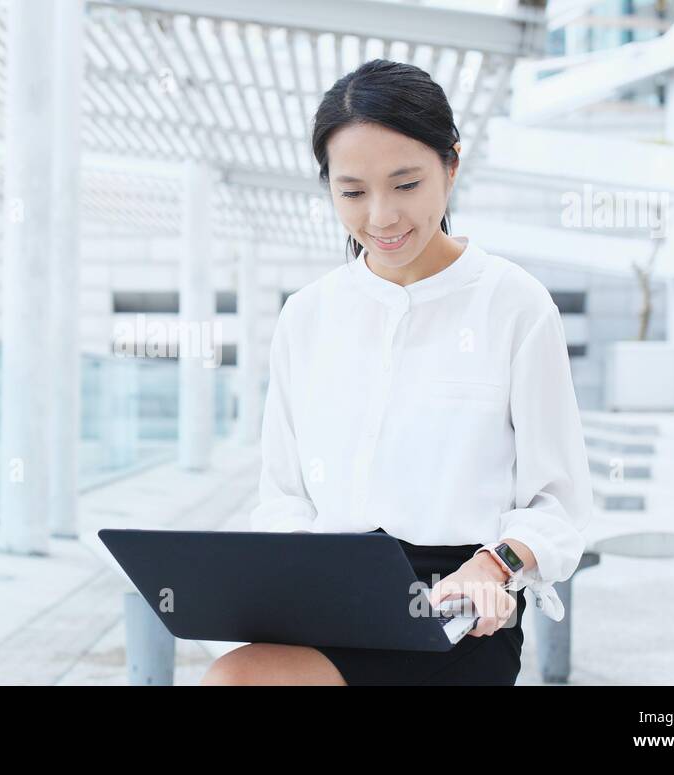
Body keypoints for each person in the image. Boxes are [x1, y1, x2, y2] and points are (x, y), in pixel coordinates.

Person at [200, 60, 593, 686]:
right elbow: (283, 498)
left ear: (452, 166)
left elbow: (559, 505)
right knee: (234, 677)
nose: (380, 217)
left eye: (406, 184)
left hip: (461, 603)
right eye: (352, 192)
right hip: (332, 596)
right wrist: (281, 583)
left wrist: (495, 567)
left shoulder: (516, 304)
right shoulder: (306, 317)